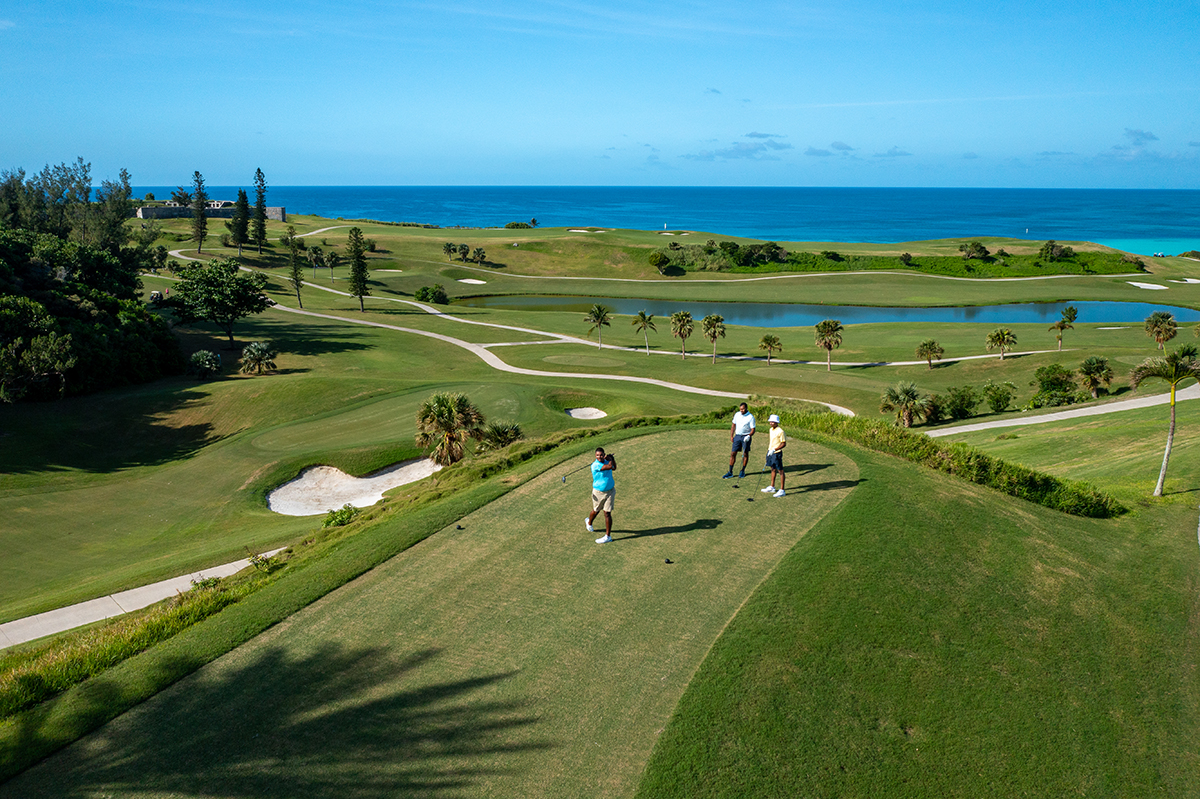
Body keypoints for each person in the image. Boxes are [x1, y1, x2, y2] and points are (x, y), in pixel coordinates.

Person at [586, 447, 617, 543]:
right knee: (596, 511)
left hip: (610, 491)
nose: (599, 457)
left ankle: (608, 536)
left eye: (601, 455)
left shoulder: (607, 461)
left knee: (607, 513)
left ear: (604, 454)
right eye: (597, 455)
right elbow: (608, 467)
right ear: (595, 456)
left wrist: (612, 459)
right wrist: (610, 459)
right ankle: (589, 522)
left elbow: (614, 468)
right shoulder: (595, 465)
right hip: (598, 493)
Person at [723, 402, 756, 479]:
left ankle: (742, 471)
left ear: (746, 408)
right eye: (740, 409)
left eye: (743, 409)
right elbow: (733, 425)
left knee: (745, 454)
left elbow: (753, 429)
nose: (742, 410)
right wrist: (731, 435)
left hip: (746, 437)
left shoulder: (750, 417)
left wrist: (749, 436)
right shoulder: (737, 414)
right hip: (737, 436)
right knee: (733, 453)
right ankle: (730, 472)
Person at [760, 413, 787, 498]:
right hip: (770, 452)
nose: (771, 423)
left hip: (776, 453)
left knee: (780, 471)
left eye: (772, 422)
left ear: (776, 422)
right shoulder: (771, 430)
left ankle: (782, 490)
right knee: (772, 469)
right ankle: (772, 487)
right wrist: (769, 450)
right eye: (770, 421)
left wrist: (774, 449)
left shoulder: (781, 431)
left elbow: (784, 444)